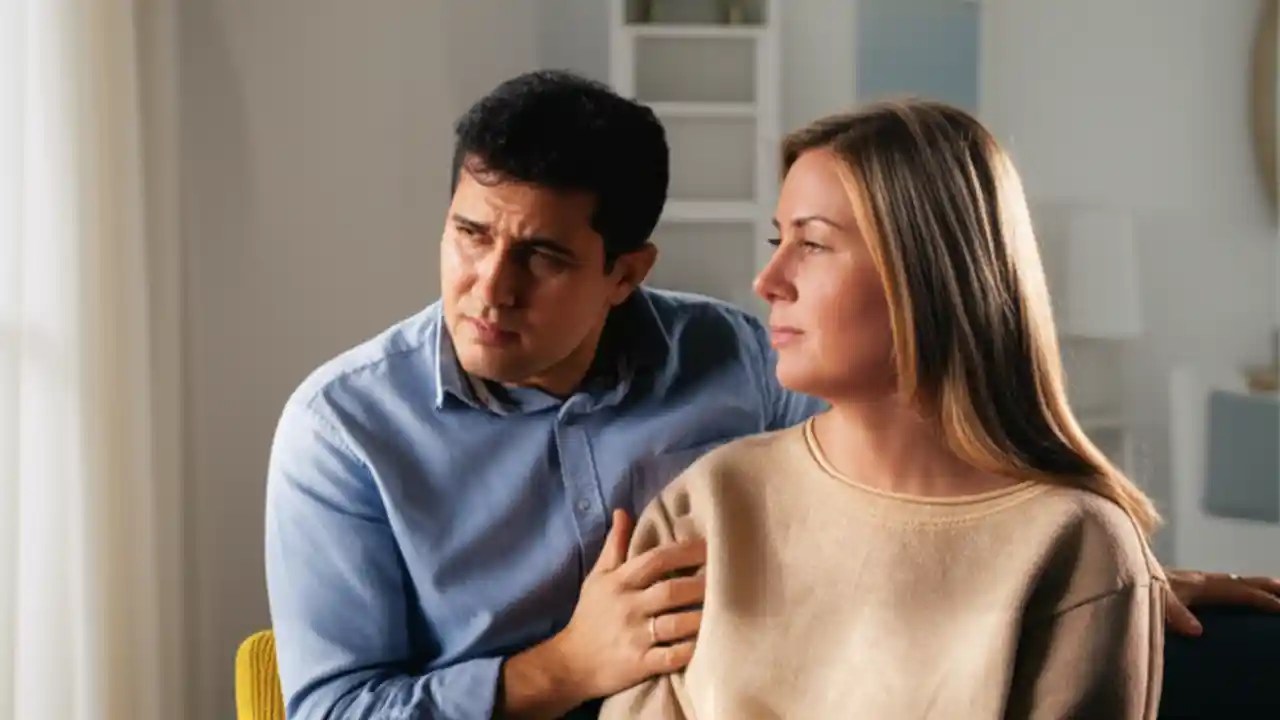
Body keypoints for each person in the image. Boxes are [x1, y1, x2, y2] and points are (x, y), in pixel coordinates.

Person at [264, 70, 1280, 719]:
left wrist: (1084, 570)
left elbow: (904, 489)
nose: (486, 289)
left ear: (625, 272)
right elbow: (329, 714)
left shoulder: (736, 364)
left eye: (539, 255)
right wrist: (564, 668)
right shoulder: (342, 428)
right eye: (468, 234)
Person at [601, 100, 1166, 718]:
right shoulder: (708, 503)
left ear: (925, 271)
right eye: (777, 238)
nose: (769, 279)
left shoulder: (1075, 544)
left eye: (812, 243)